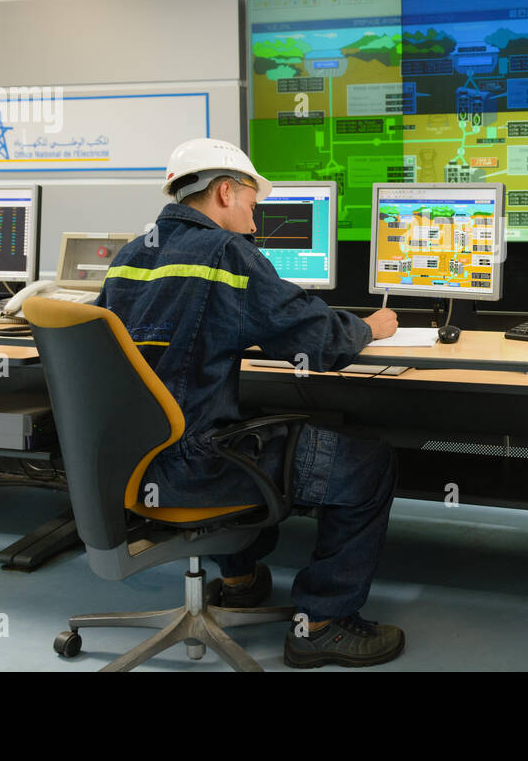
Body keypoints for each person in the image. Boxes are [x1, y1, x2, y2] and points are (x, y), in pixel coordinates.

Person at [96, 137, 403, 668]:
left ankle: (239, 580)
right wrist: (370, 326)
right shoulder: (226, 253)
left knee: (227, 421)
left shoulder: (130, 254)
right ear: (222, 192)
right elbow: (319, 342)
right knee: (368, 461)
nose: (256, 219)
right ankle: (323, 624)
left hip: (131, 462)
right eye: (252, 203)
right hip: (196, 467)